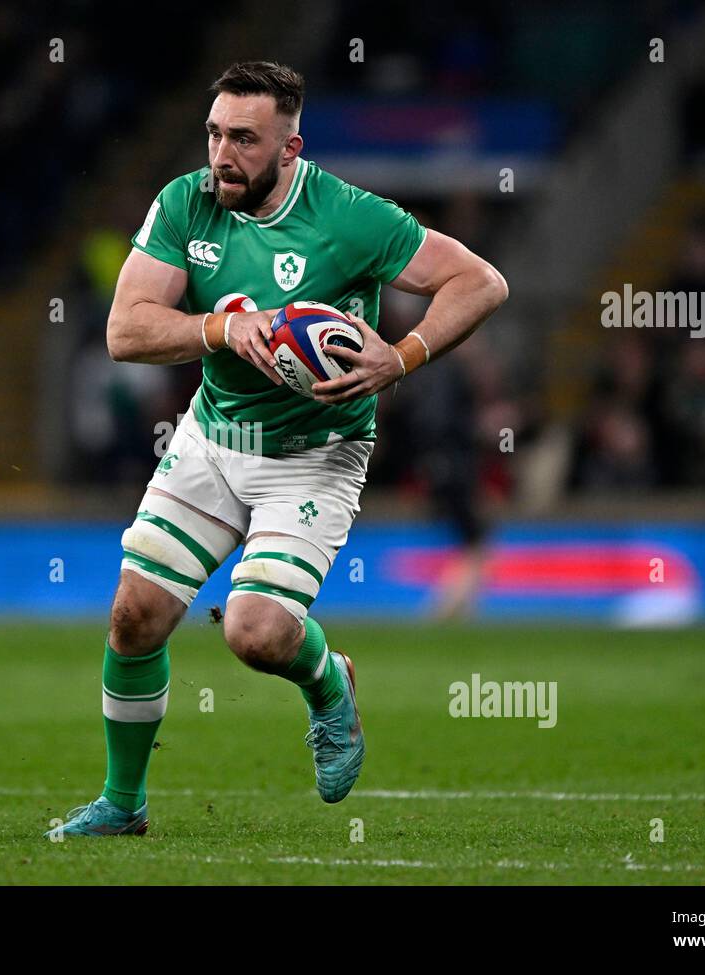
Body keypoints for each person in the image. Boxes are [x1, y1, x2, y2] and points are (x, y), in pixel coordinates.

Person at [47, 61, 507, 837]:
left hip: (315, 454)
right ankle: (123, 805)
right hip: (214, 437)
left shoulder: (350, 216)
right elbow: (125, 329)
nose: (222, 155)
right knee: (134, 616)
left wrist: (403, 354)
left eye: (245, 140)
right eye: (215, 134)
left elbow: (480, 280)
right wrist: (220, 328)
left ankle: (330, 684)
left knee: (254, 634)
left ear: (291, 148)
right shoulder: (184, 205)